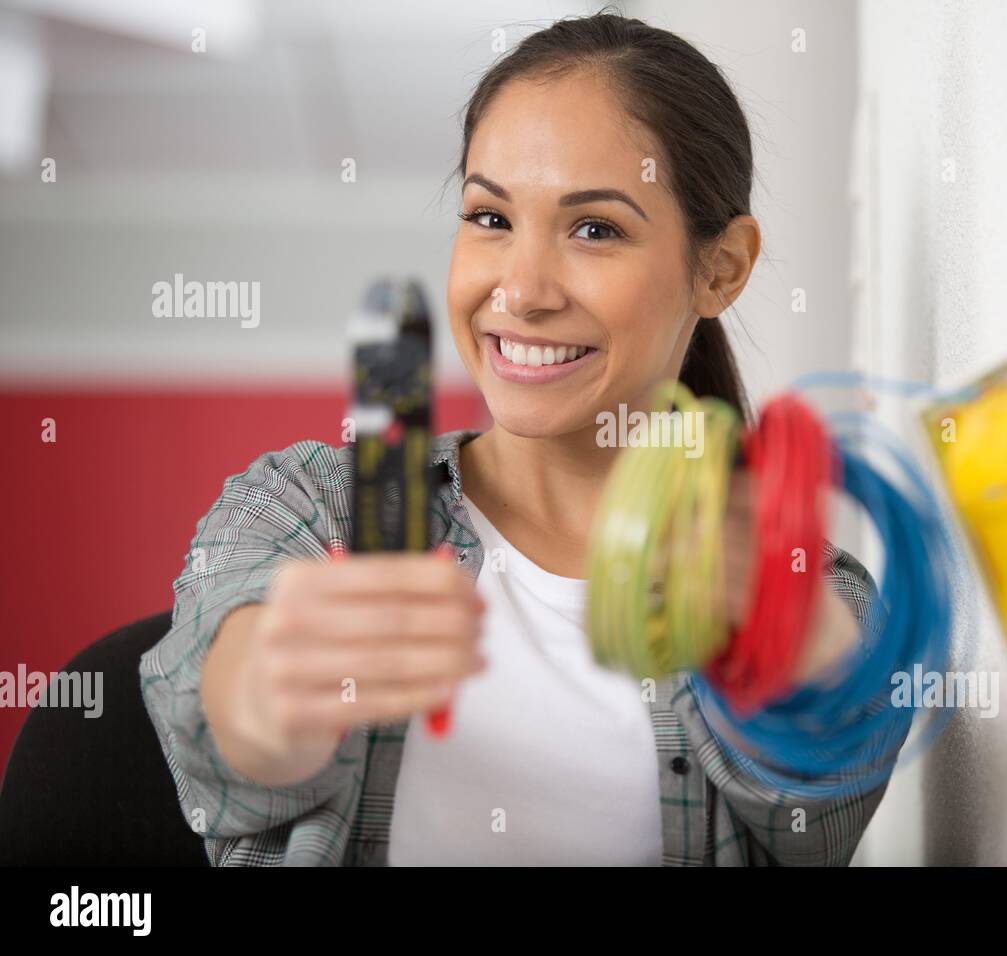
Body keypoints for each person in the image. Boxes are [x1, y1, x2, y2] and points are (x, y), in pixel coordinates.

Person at [139, 9, 891, 867]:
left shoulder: (802, 583)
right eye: (490, 218)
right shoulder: (311, 509)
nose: (522, 291)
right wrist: (276, 688)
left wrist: (787, 647)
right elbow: (217, 736)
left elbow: (817, 823)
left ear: (720, 268)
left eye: (595, 228)